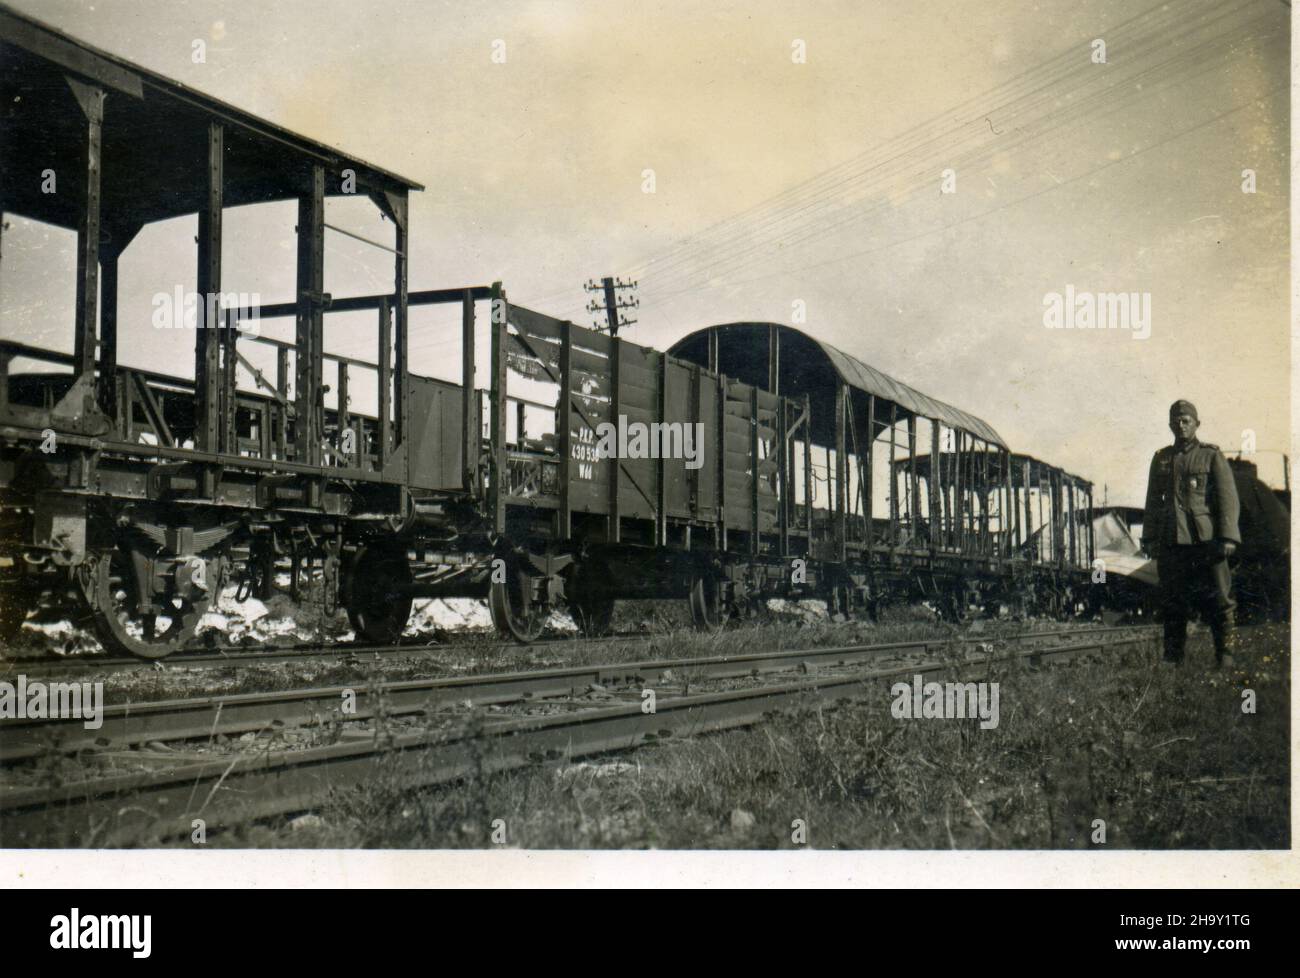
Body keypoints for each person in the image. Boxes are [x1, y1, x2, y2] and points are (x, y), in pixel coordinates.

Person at [1141, 400, 1241, 668]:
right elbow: (1152, 501)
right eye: (1176, 420)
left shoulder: (1211, 455)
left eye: (1186, 420)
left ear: (1197, 423)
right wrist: (1150, 537)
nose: (1181, 425)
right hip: (1172, 542)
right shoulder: (1161, 458)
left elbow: (1227, 499)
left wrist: (1228, 537)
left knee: (1220, 598)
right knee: (1173, 601)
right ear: (1170, 424)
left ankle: (1226, 656)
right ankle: (1173, 658)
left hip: (1206, 542)